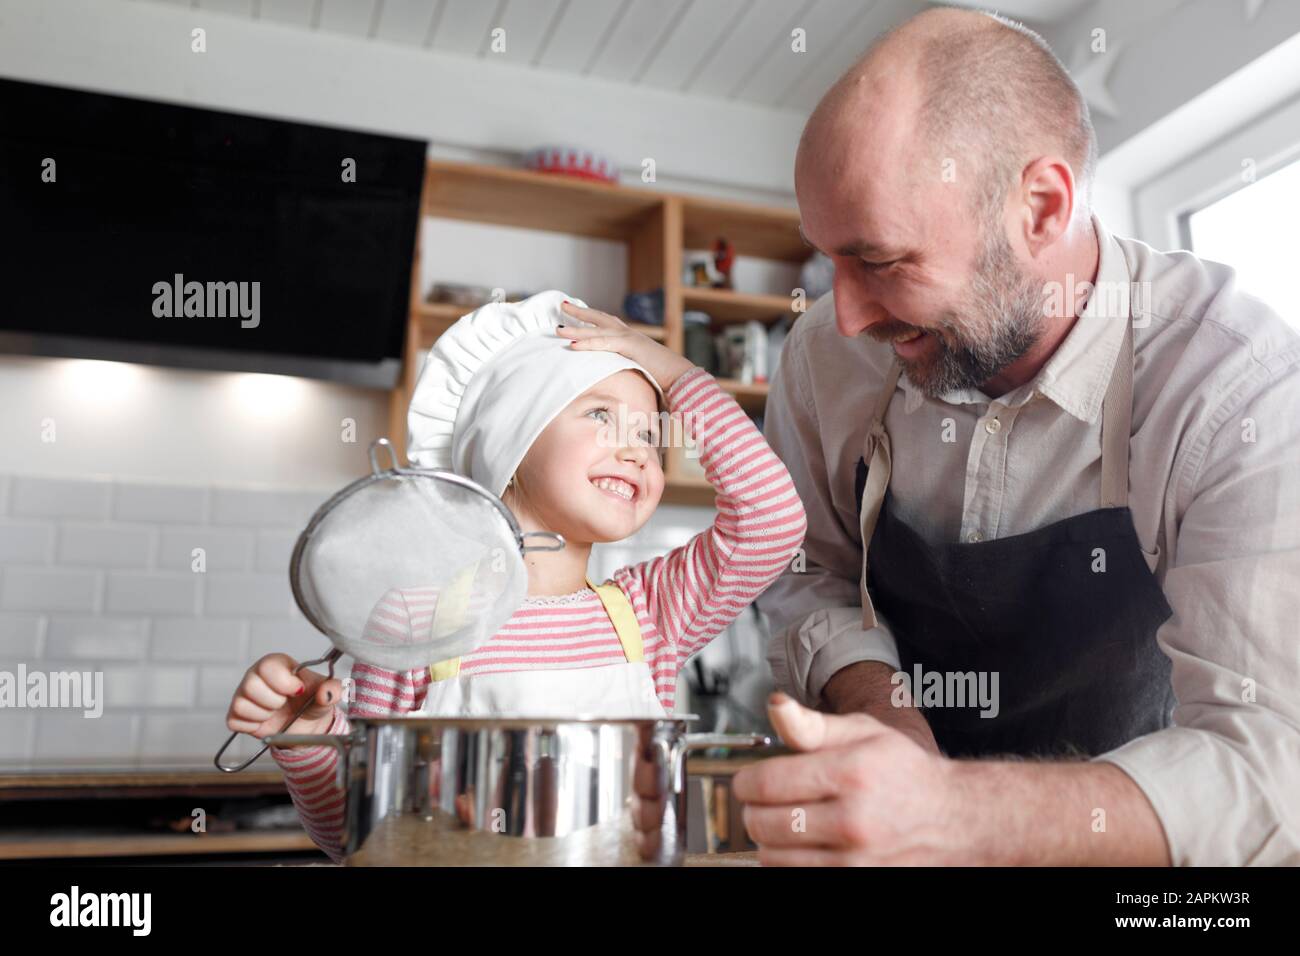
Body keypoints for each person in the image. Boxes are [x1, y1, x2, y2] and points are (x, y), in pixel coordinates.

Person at [740, 7, 1299, 865]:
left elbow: (1272, 768)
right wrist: (883, 715)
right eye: (828, 262)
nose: (844, 315)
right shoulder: (826, 358)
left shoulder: (1233, 382)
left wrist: (952, 816)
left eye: (882, 262)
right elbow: (806, 571)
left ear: (1041, 207)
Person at [223, 290, 807, 862]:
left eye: (652, 434)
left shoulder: (651, 611)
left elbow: (773, 520)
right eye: (601, 415)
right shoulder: (412, 623)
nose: (637, 450)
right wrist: (310, 736)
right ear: (510, 442)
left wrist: (675, 372)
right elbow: (357, 836)